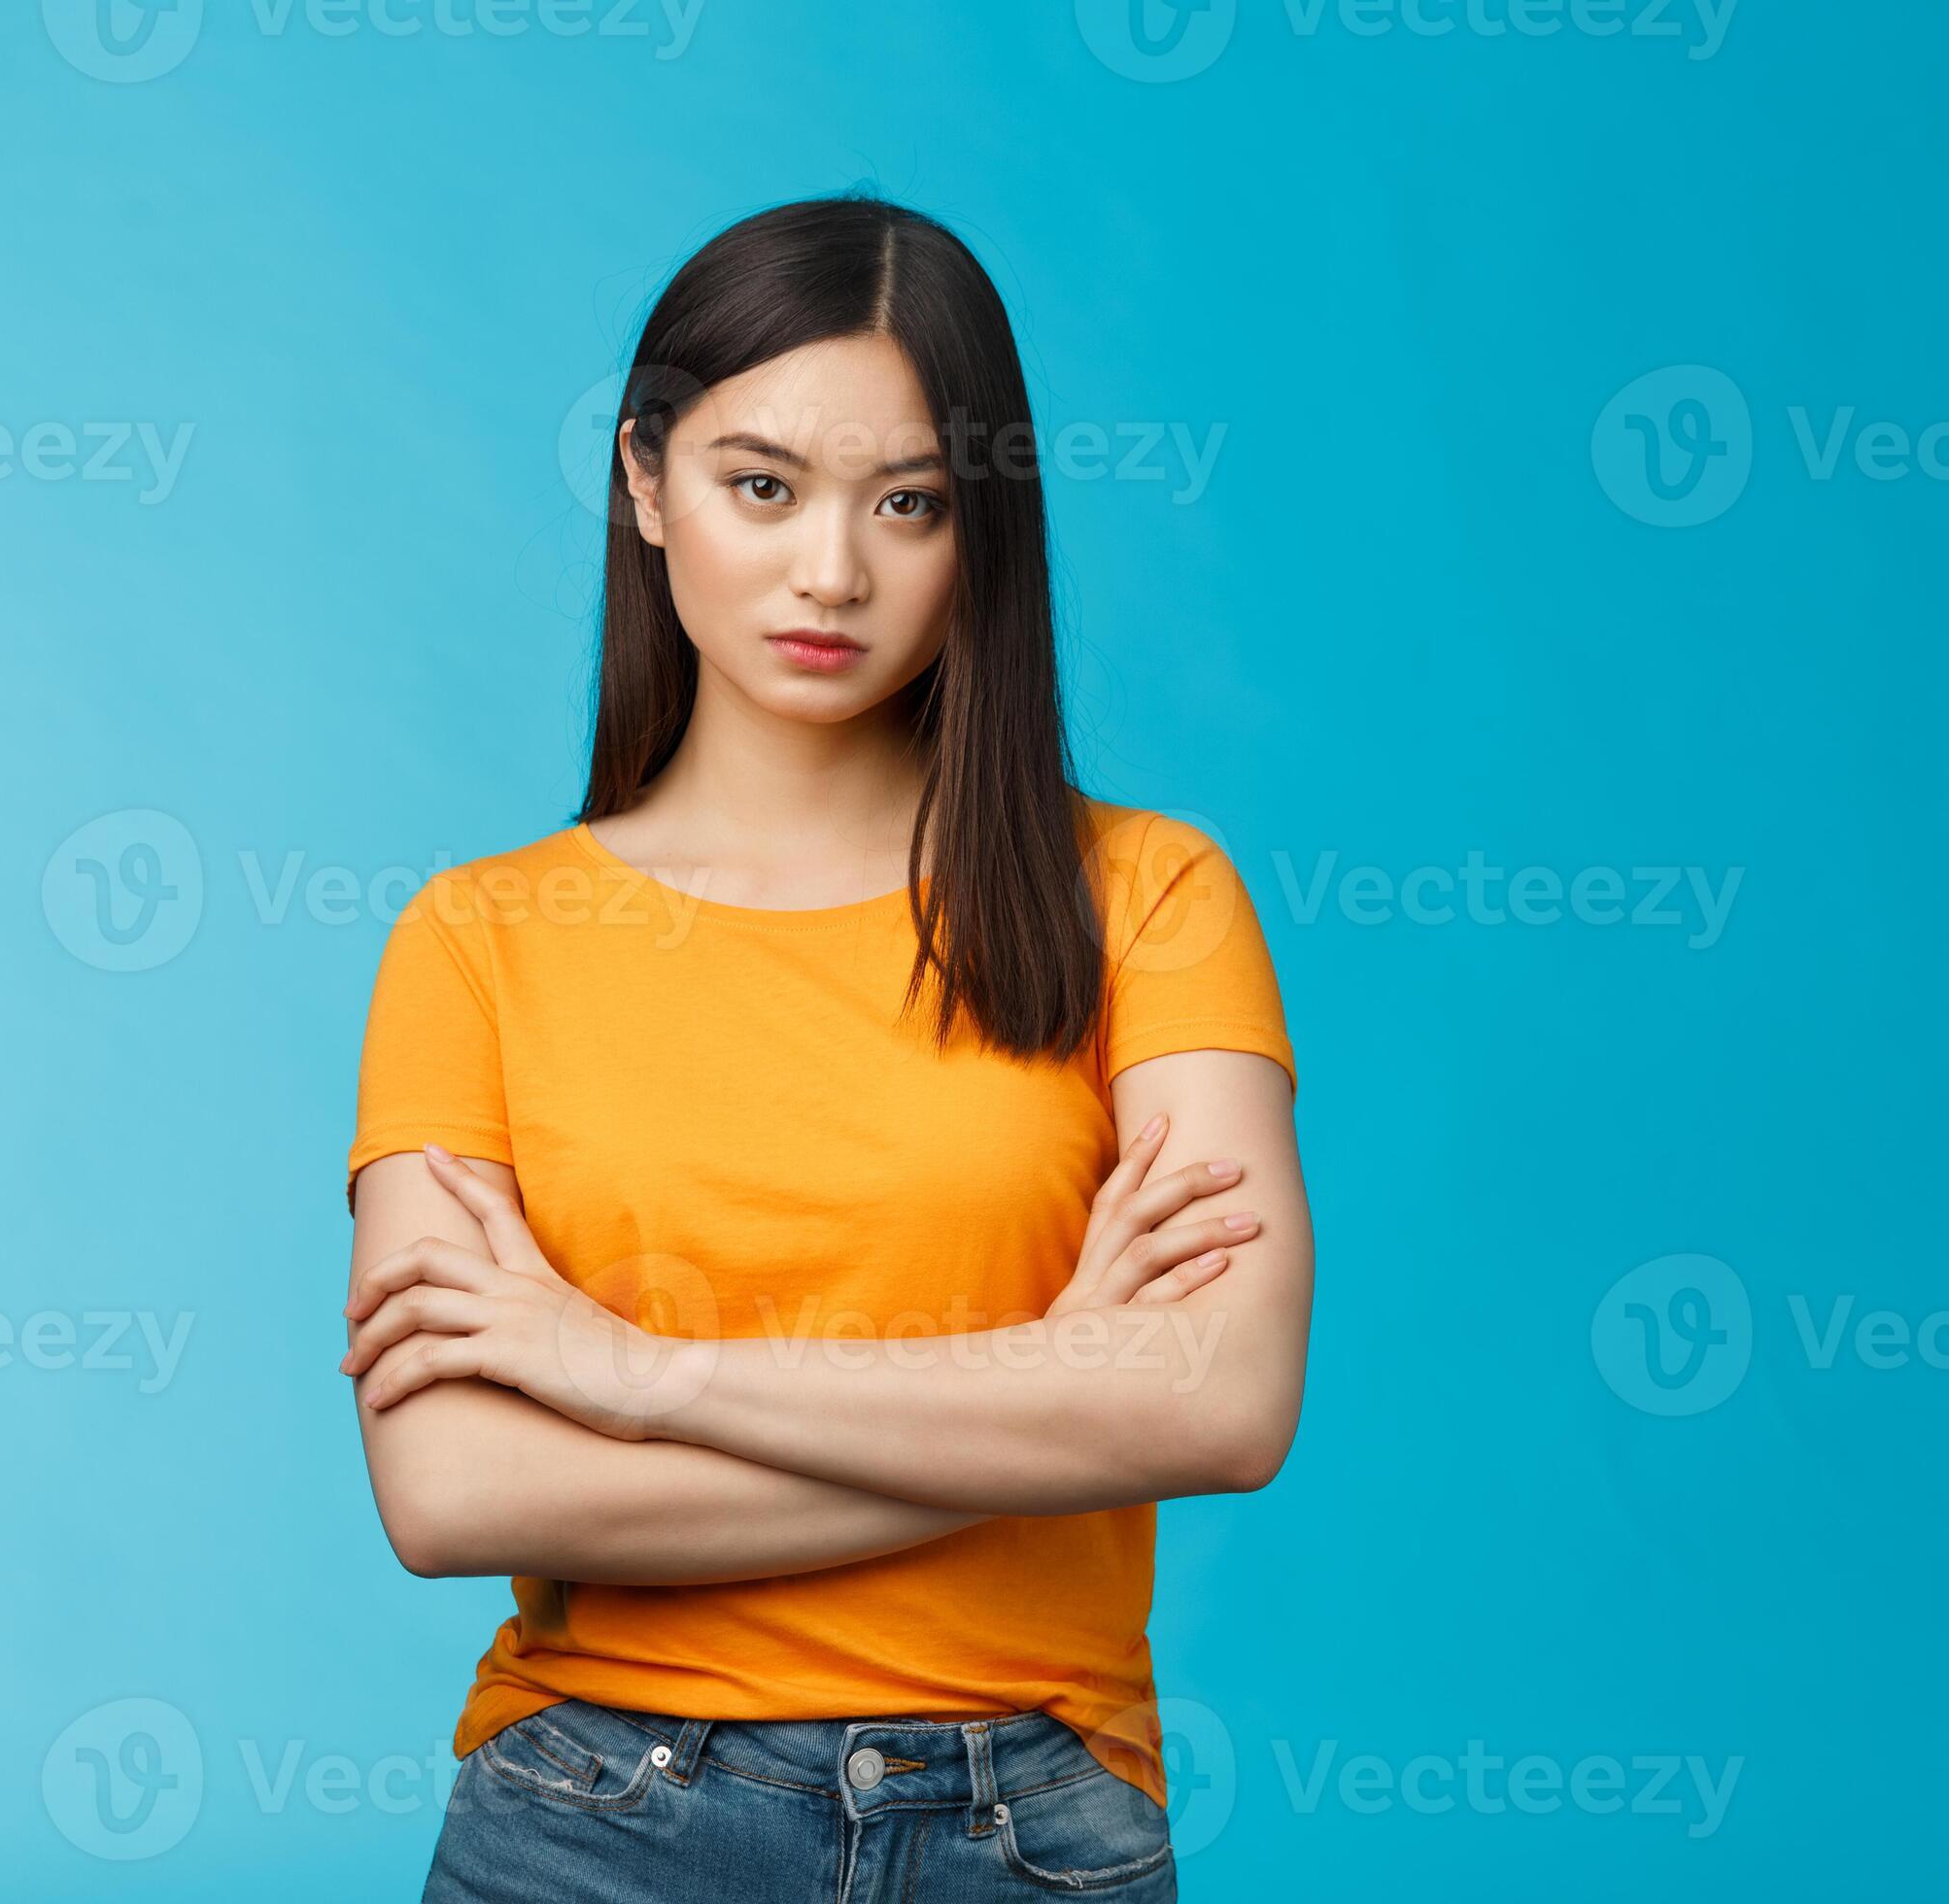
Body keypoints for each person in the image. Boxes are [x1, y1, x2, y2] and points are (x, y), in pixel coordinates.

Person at [340, 191, 1313, 1901]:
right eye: (762, 484)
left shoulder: (1149, 899)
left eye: (910, 502)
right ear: (646, 482)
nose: (832, 571)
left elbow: (1220, 1402)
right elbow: (452, 1490)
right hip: (593, 1817)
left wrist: (639, 1376)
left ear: (979, 528)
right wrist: (1041, 1396)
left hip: (1032, 1827)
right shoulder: (478, 938)